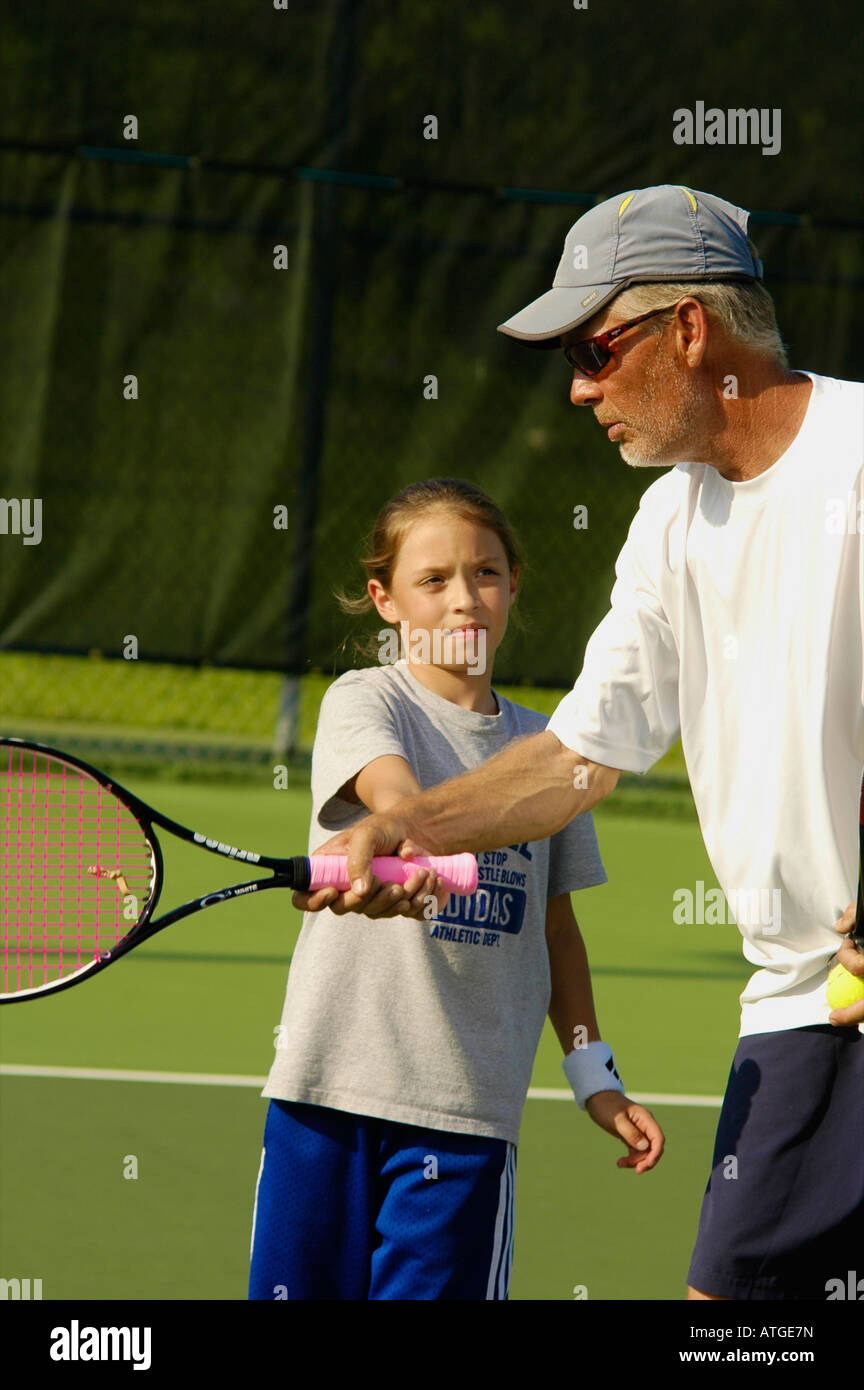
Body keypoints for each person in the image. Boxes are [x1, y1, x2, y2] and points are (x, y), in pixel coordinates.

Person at [312, 186, 864, 1302]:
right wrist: (408, 823)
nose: (576, 386)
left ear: (692, 331)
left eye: (596, 347)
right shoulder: (671, 519)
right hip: (806, 999)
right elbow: (579, 757)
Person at [248, 477, 664, 1302]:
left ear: (514, 585)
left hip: (466, 1117)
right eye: (432, 580)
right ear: (385, 600)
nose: (464, 599)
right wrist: (414, 840)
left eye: (486, 573)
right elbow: (395, 800)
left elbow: (557, 930)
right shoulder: (366, 700)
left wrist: (594, 1072)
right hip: (322, 1094)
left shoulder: (548, 750)